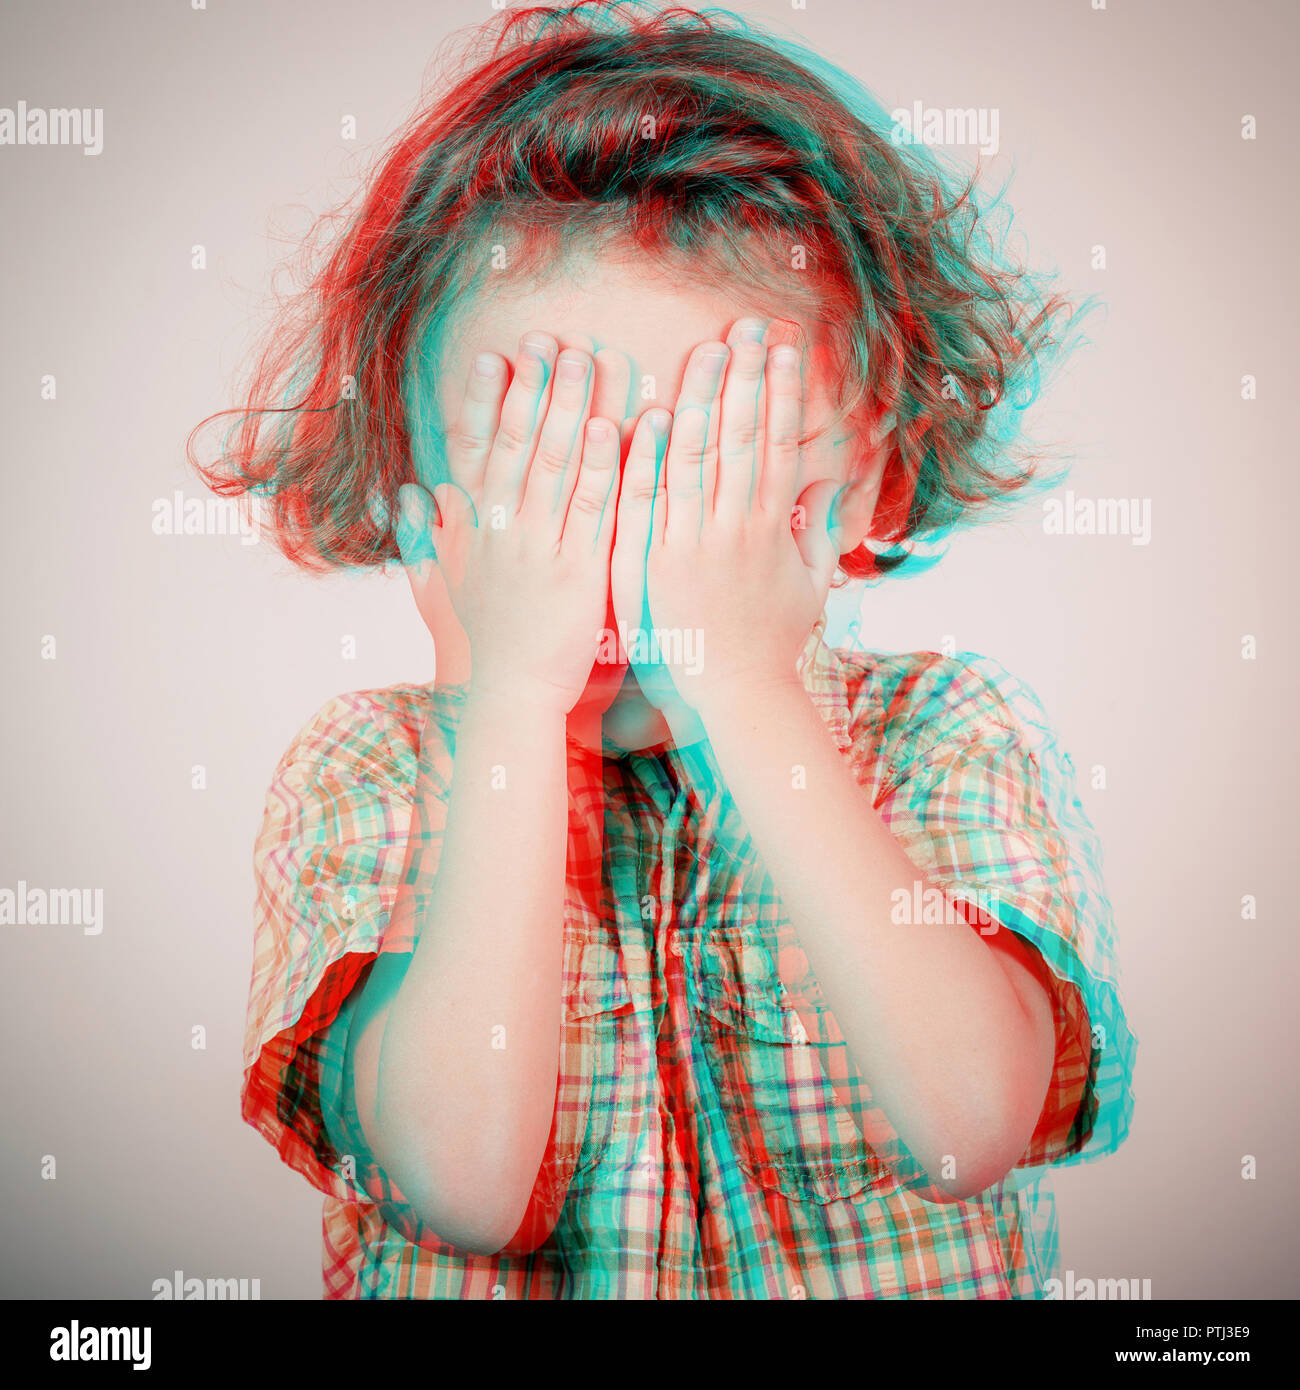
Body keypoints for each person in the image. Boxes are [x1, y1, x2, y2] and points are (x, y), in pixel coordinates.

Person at [196, 0, 1137, 1298]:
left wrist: (744, 677)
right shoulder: (370, 774)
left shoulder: (950, 734)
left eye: (713, 477)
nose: (630, 563)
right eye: (549, 484)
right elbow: (456, 1177)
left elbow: (972, 1124)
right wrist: (515, 693)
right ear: (423, 517)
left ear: (873, 482)